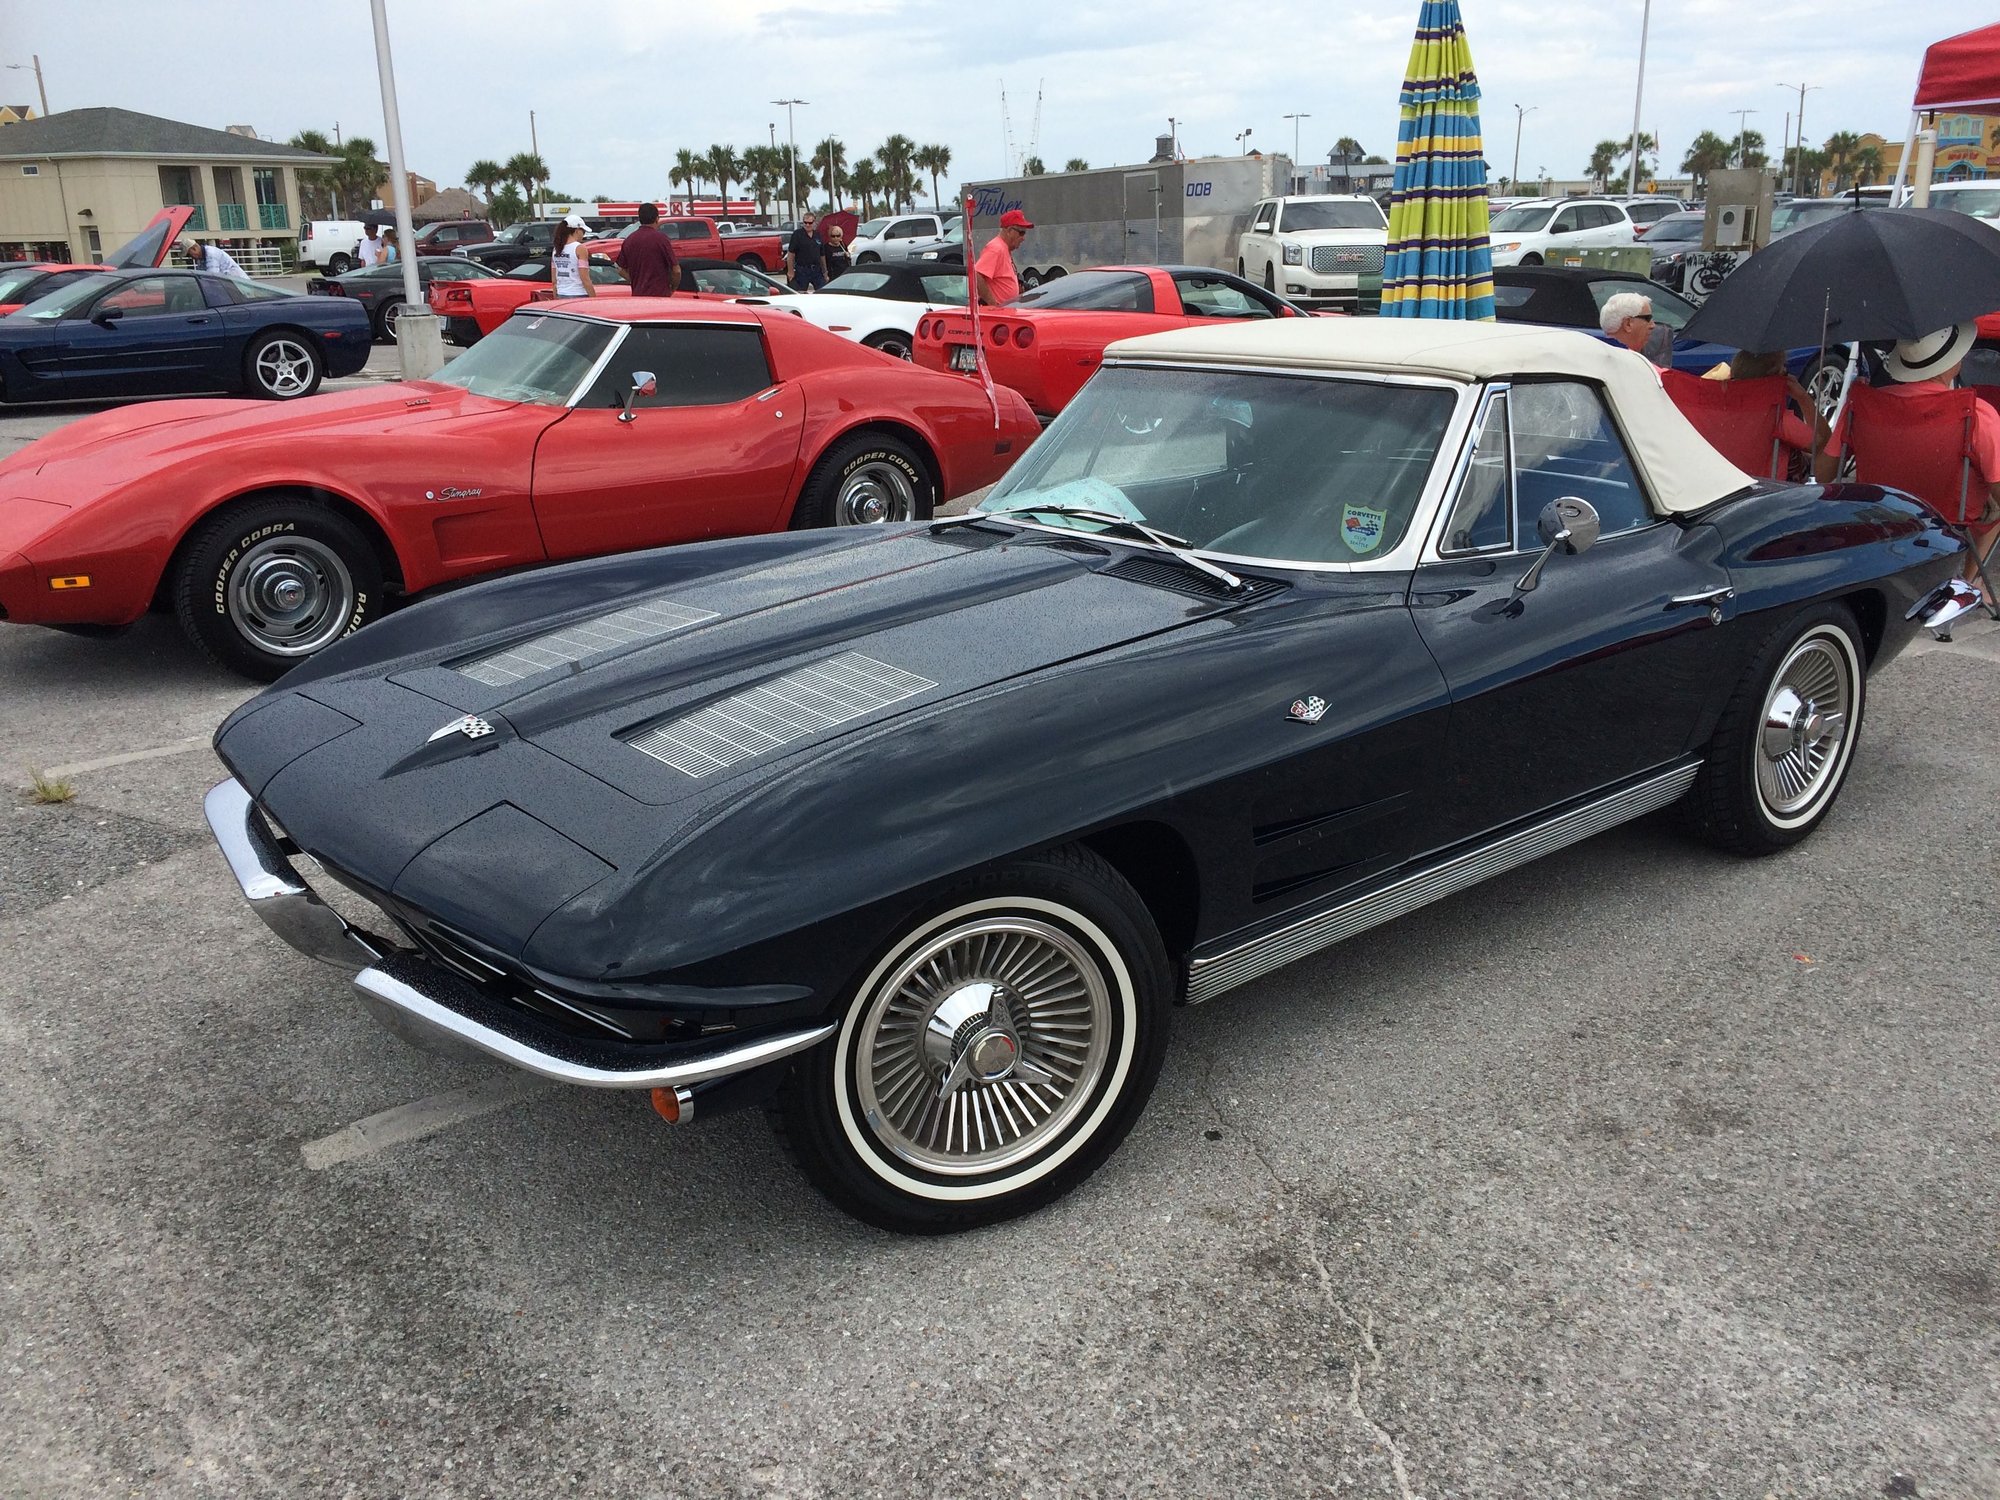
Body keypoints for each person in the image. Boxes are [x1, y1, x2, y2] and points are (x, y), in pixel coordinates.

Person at [1871, 322, 2000, 588]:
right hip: (1949, 515)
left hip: (1880, 508)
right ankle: (1967, 583)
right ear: (1954, 364)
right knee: (1992, 506)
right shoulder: (1975, 413)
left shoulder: (1864, 403)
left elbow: (1827, 474)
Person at [1725, 350, 1838, 483]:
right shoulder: (1776, 417)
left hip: (1732, 479)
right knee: (1834, 449)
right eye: (1785, 373)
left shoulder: (1719, 409)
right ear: (1773, 379)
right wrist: (1803, 397)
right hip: (1776, 486)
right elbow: (1822, 442)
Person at [618, 200, 679, 297]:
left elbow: (621, 270)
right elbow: (676, 270)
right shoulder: (662, 239)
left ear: (640, 219)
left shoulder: (629, 240)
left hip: (638, 296)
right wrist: (672, 288)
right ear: (657, 218)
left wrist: (636, 280)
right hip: (660, 295)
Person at [1598, 290, 1672, 369]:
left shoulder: (1594, 358)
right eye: (1648, 318)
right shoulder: (1634, 369)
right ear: (1628, 324)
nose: (1653, 325)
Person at [975, 208, 1032, 306]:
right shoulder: (996, 249)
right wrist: (992, 303)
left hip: (1006, 311)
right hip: (996, 314)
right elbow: (977, 276)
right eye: (1021, 233)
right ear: (1009, 231)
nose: (1023, 238)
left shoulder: (1004, 248)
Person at [549, 213, 594, 299]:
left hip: (561, 293)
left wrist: (555, 298)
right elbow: (585, 279)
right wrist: (594, 299)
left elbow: (554, 280)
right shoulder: (580, 248)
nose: (583, 235)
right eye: (583, 231)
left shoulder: (556, 249)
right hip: (579, 293)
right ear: (577, 230)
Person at [785, 212, 825, 292]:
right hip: (802, 269)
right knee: (800, 293)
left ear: (814, 222)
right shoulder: (797, 234)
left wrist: (825, 271)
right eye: (805, 222)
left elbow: (822, 255)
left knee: (823, 291)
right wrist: (790, 271)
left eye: (810, 223)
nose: (807, 225)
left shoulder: (818, 235)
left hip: (816, 269)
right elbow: (791, 254)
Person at [180, 237, 247, 279]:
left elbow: (212, 276)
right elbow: (201, 275)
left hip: (240, 284)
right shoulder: (202, 258)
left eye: (189, 255)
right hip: (232, 284)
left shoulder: (211, 254)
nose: (191, 258)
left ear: (194, 248)